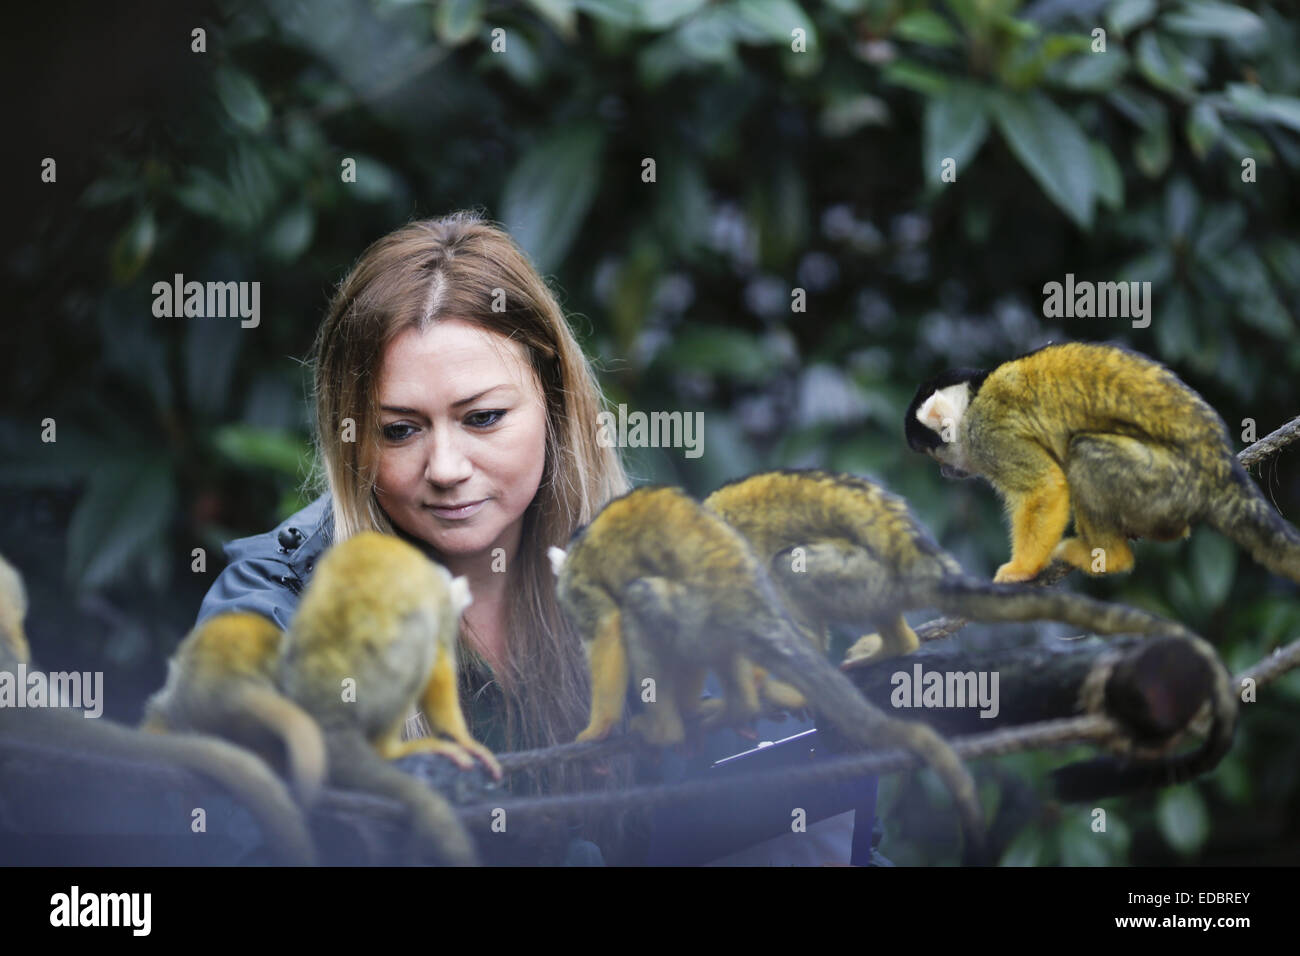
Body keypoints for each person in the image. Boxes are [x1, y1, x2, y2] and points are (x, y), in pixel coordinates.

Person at [196, 210, 632, 862]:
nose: (447, 469)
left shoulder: (638, 566)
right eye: (400, 430)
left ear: (554, 400)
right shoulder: (274, 617)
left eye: (482, 418)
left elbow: (750, 812)